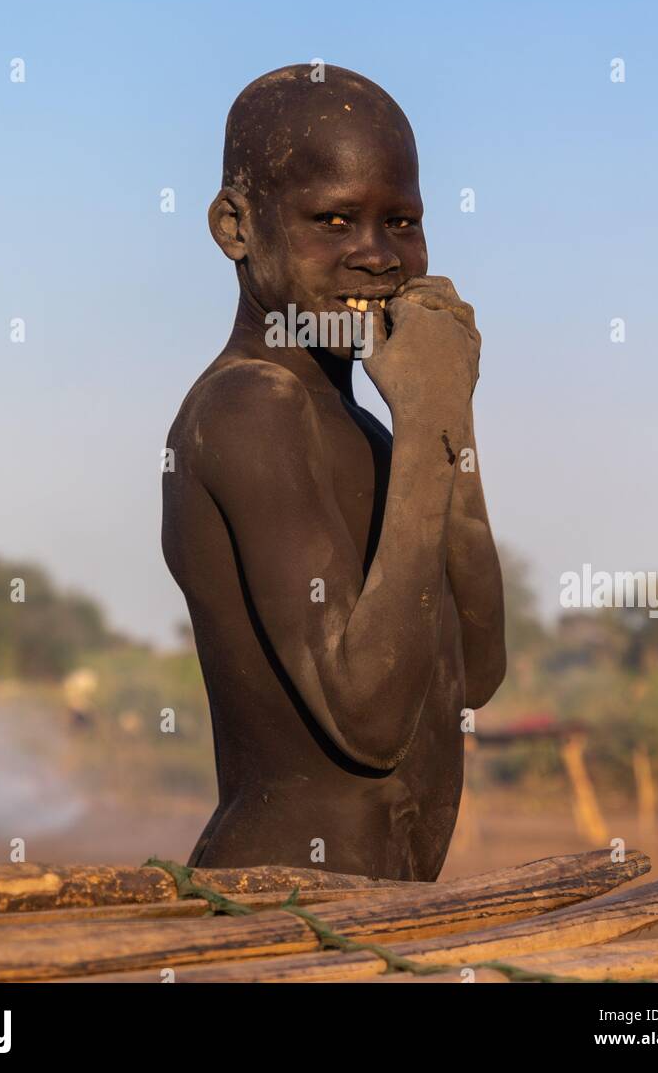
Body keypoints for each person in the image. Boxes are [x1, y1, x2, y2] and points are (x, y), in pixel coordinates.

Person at [161, 63, 505, 880]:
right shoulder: (248, 407)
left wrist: (447, 411)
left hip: (372, 919)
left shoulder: (373, 434)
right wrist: (425, 420)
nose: (376, 255)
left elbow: (476, 674)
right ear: (235, 227)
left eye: (401, 222)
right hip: (282, 917)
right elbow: (369, 721)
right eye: (333, 220)